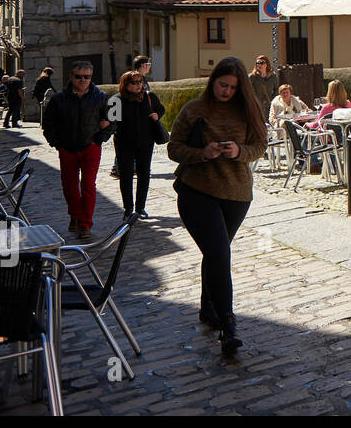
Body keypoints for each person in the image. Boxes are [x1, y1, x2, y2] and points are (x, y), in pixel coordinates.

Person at [168, 57, 266, 355]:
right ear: (213, 82)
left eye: (233, 87)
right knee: (219, 253)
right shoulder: (193, 109)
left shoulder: (248, 110)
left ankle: (207, 308)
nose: (226, 91)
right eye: (222, 85)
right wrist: (203, 152)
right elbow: (173, 148)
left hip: (236, 194)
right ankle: (228, 324)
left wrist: (238, 151)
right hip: (196, 191)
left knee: (215, 252)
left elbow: (260, 145)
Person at [42, 61, 113, 241]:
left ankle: (84, 224)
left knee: (88, 185)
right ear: (71, 77)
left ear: (91, 77)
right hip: (67, 148)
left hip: (91, 147)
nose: (82, 80)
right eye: (78, 76)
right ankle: (75, 214)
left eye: (86, 77)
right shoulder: (59, 99)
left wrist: (100, 138)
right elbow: (48, 124)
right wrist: (57, 143)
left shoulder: (102, 97)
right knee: (69, 186)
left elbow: (115, 120)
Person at [111, 70, 165, 219]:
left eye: (140, 81)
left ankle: (141, 207)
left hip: (146, 142)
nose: (138, 85)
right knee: (126, 175)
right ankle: (128, 208)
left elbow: (160, 109)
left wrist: (156, 115)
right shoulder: (117, 100)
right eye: (134, 82)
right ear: (125, 84)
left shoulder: (149, 97)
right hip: (124, 143)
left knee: (144, 174)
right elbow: (110, 120)